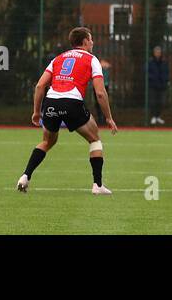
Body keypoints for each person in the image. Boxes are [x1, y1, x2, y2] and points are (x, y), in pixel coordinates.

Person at [17, 26, 117, 195]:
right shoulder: (92, 59)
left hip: (51, 103)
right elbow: (100, 92)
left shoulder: (58, 58)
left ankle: (25, 176)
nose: (92, 42)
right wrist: (108, 117)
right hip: (72, 103)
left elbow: (40, 85)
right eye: (91, 39)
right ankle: (97, 185)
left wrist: (36, 112)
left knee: (47, 141)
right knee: (95, 139)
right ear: (85, 41)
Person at [147, 46, 169, 125]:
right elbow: (147, 72)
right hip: (153, 85)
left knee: (161, 102)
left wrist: (165, 79)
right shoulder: (150, 62)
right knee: (153, 102)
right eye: (156, 52)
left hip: (162, 85)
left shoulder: (164, 62)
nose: (158, 54)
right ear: (154, 53)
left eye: (159, 52)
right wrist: (153, 78)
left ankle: (158, 116)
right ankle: (153, 117)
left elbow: (166, 72)